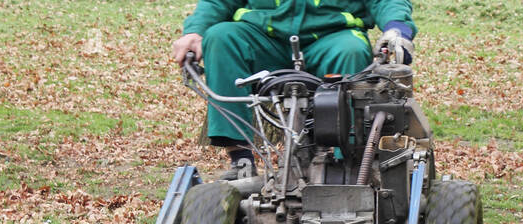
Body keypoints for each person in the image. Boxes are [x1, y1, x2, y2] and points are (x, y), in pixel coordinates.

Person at [171, 1, 416, 179]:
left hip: (332, 37)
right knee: (221, 37)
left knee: (351, 49)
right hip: (265, 38)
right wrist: (196, 30)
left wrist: (396, 29)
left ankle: (345, 162)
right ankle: (241, 161)